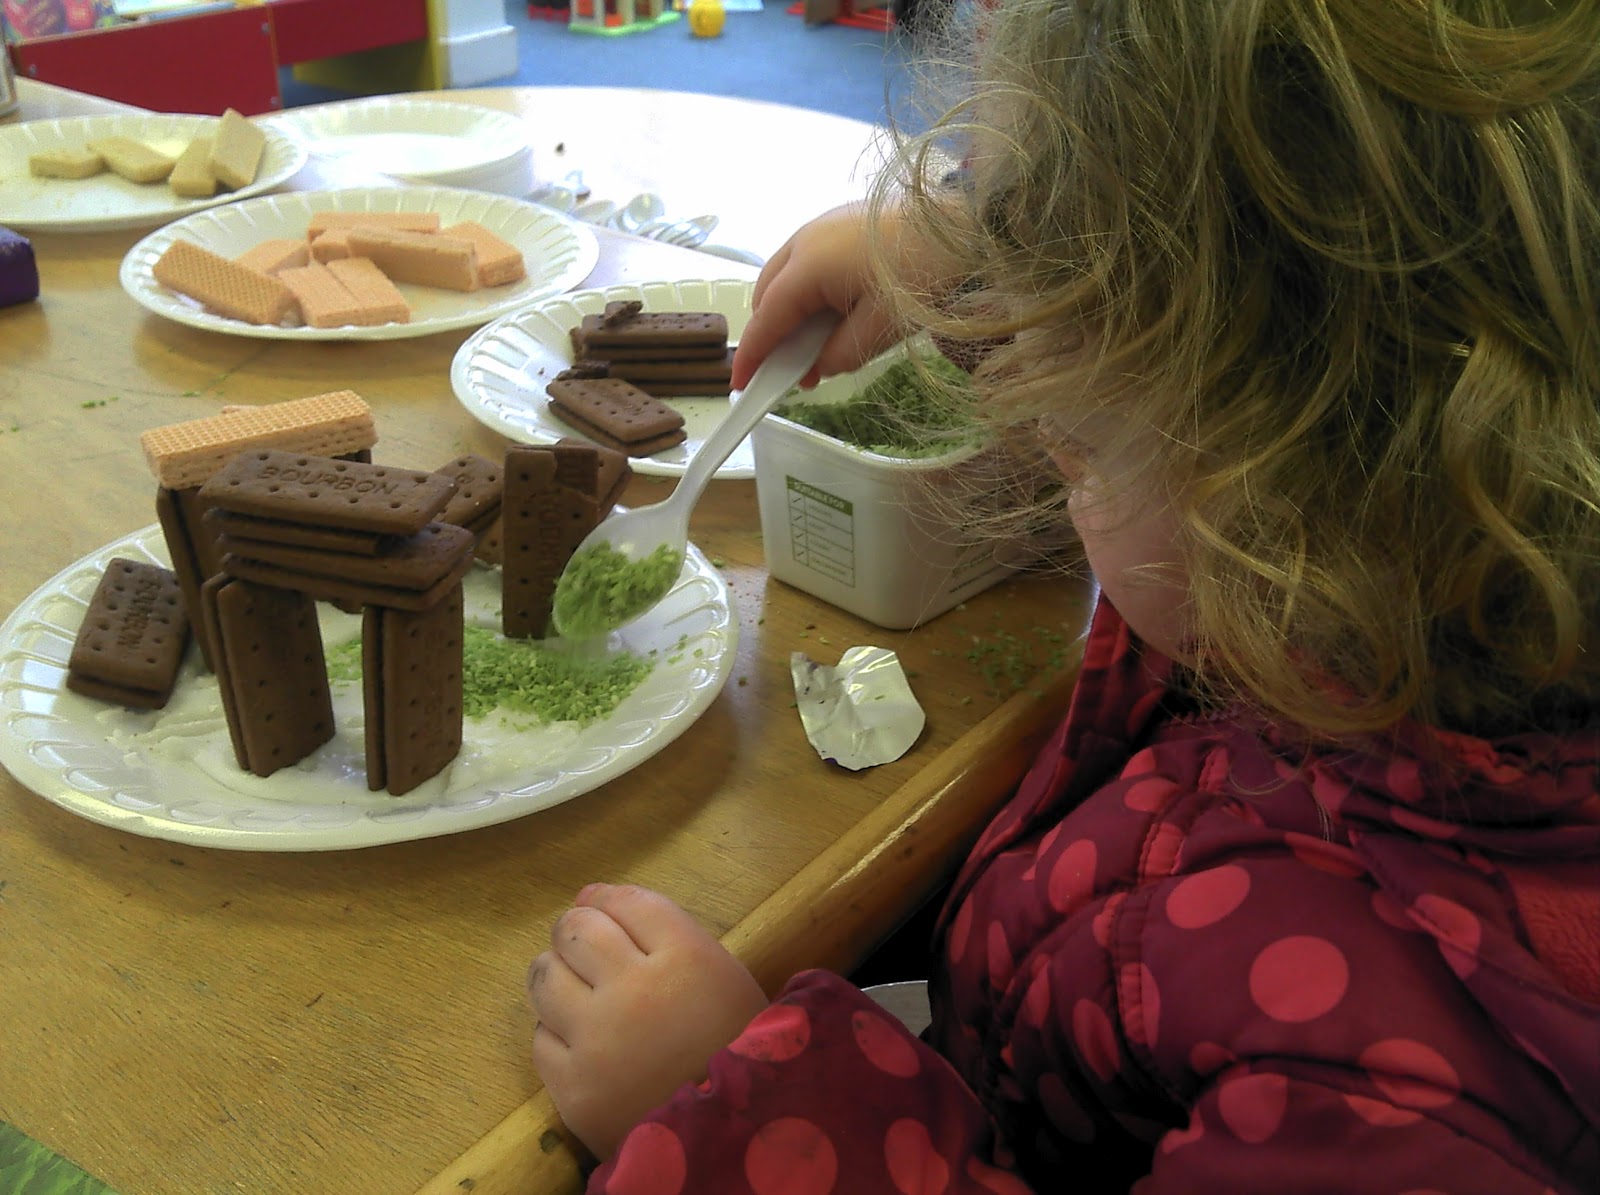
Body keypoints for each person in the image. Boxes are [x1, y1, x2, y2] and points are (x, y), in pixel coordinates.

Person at [525, 1, 1600, 1190]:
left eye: (1075, 435)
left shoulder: (1393, 1100)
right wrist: (981, 254)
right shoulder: (1396, 604)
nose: (1030, 413)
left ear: (1293, 501)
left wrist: (744, 1113)